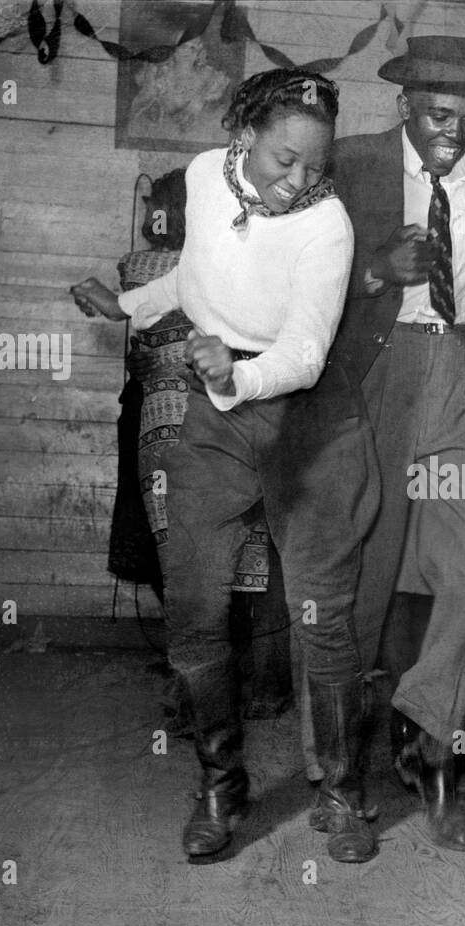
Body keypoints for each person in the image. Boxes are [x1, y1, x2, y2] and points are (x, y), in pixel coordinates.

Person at [72, 69, 381, 864]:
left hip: (311, 418)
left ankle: (342, 791)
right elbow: (200, 275)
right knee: (195, 606)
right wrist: (133, 304)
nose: (299, 181)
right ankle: (221, 787)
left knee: (323, 615)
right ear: (242, 136)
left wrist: (232, 376)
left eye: (316, 165)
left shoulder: (329, 225)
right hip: (220, 412)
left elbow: (307, 355)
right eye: (284, 160)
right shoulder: (207, 178)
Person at [329, 35, 465, 851]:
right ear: (405, 103)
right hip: (375, 370)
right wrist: (377, 269)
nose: (456, 129)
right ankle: (340, 776)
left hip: (458, 367)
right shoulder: (353, 164)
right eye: (441, 113)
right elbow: (297, 270)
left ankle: (424, 718)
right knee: (363, 578)